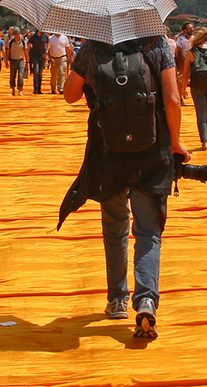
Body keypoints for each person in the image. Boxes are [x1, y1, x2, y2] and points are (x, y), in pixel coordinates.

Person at [63, 32, 186, 340]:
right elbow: (172, 99)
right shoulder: (156, 43)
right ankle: (146, 301)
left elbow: (70, 95)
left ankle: (117, 299)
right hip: (152, 151)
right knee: (148, 232)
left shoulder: (93, 46)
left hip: (109, 151)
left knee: (115, 226)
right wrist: (175, 143)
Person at [174, 21, 196, 103]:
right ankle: (180, 98)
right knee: (180, 80)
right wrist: (179, 62)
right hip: (183, 62)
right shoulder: (181, 39)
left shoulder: (194, 38)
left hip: (193, 63)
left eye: (192, 28)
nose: (192, 29)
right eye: (190, 28)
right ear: (185, 30)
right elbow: (178, 50)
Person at [6, 28, 27, 95]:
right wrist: (6, 61)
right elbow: (8, 51)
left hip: (20, 60)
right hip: (13, 60)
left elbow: (25, 51)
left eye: (18, 34)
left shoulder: (23, 42)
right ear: (14, 35)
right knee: (12, 75)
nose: (17, 35)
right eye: (16, 34)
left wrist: (27, 61)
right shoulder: (10, 42)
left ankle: (20, 89)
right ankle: (13, 88)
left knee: (21, 76)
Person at [28, 29, 48, 93]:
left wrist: (46, 52)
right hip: (34, 56)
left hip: (42, 56)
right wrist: (28, 55)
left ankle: (39, 89)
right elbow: (29, 45)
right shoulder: (33, 36)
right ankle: (35, 88)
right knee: (36, 72)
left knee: (40, 73)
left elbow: (48, 43)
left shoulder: (45, 36)